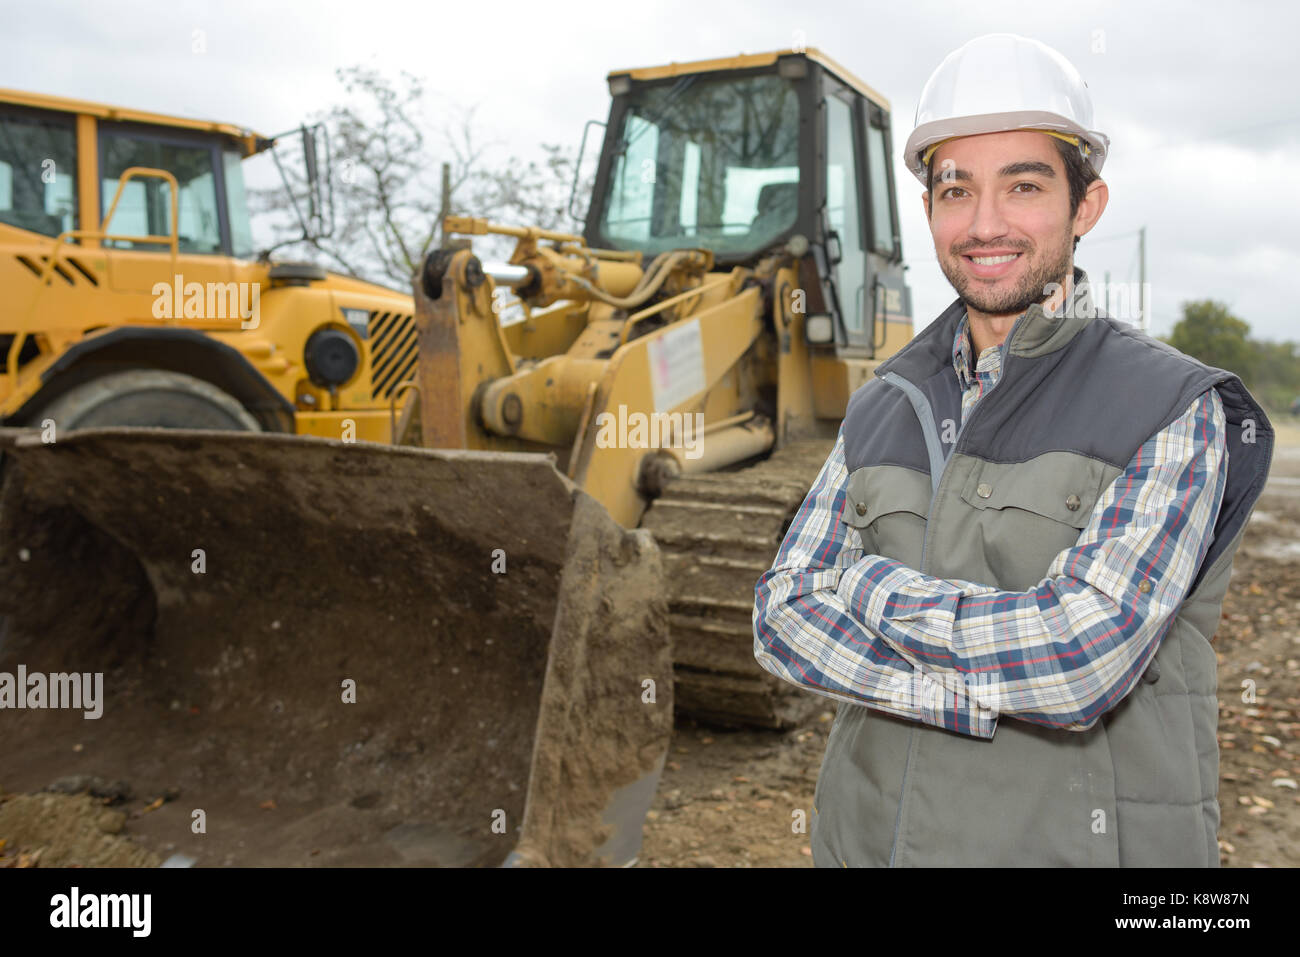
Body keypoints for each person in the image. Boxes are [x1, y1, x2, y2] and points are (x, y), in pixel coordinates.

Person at [752, 33, 1273, 867]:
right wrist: (954, 686)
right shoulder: (884, 403)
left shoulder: (1171, 406)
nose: (985, 223)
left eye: (1023, 186)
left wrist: (867, 585)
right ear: (928, 212)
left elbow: (1078, 660)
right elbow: (781, 618)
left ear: (1086, 205)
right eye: (955, 190)